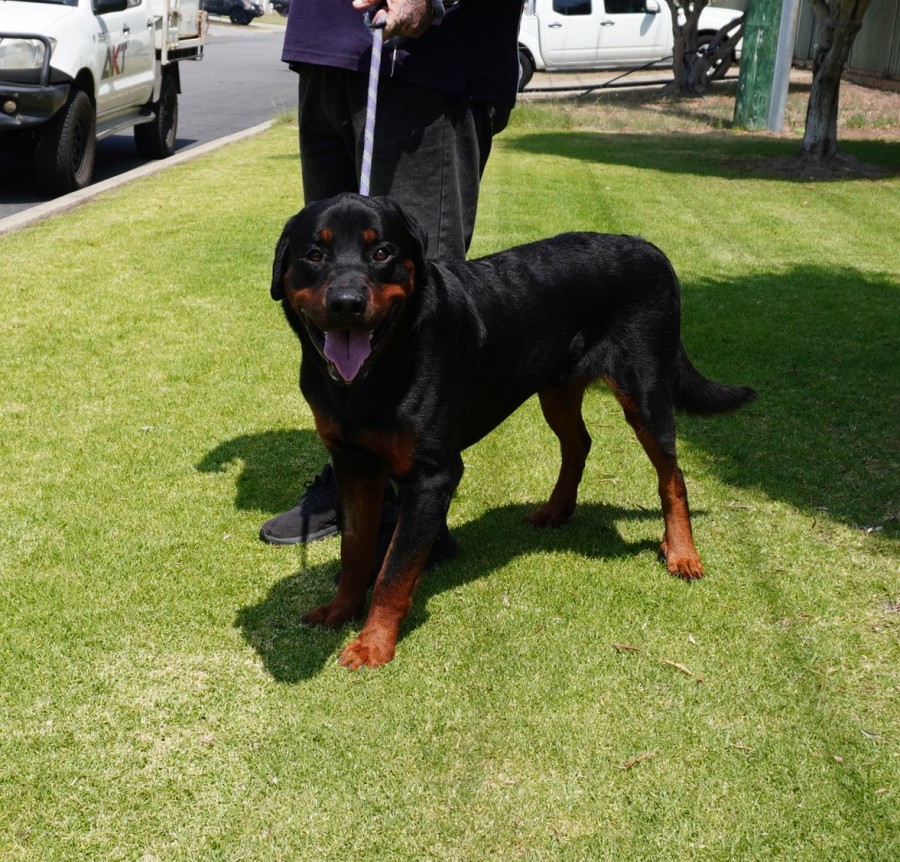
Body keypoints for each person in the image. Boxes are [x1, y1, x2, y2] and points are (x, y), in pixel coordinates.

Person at [260, 0, 523, 549]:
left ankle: (417, 509)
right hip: (325, 49)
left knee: (418, 307)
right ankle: (352, 478)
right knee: (338, 289)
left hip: (428, 60)